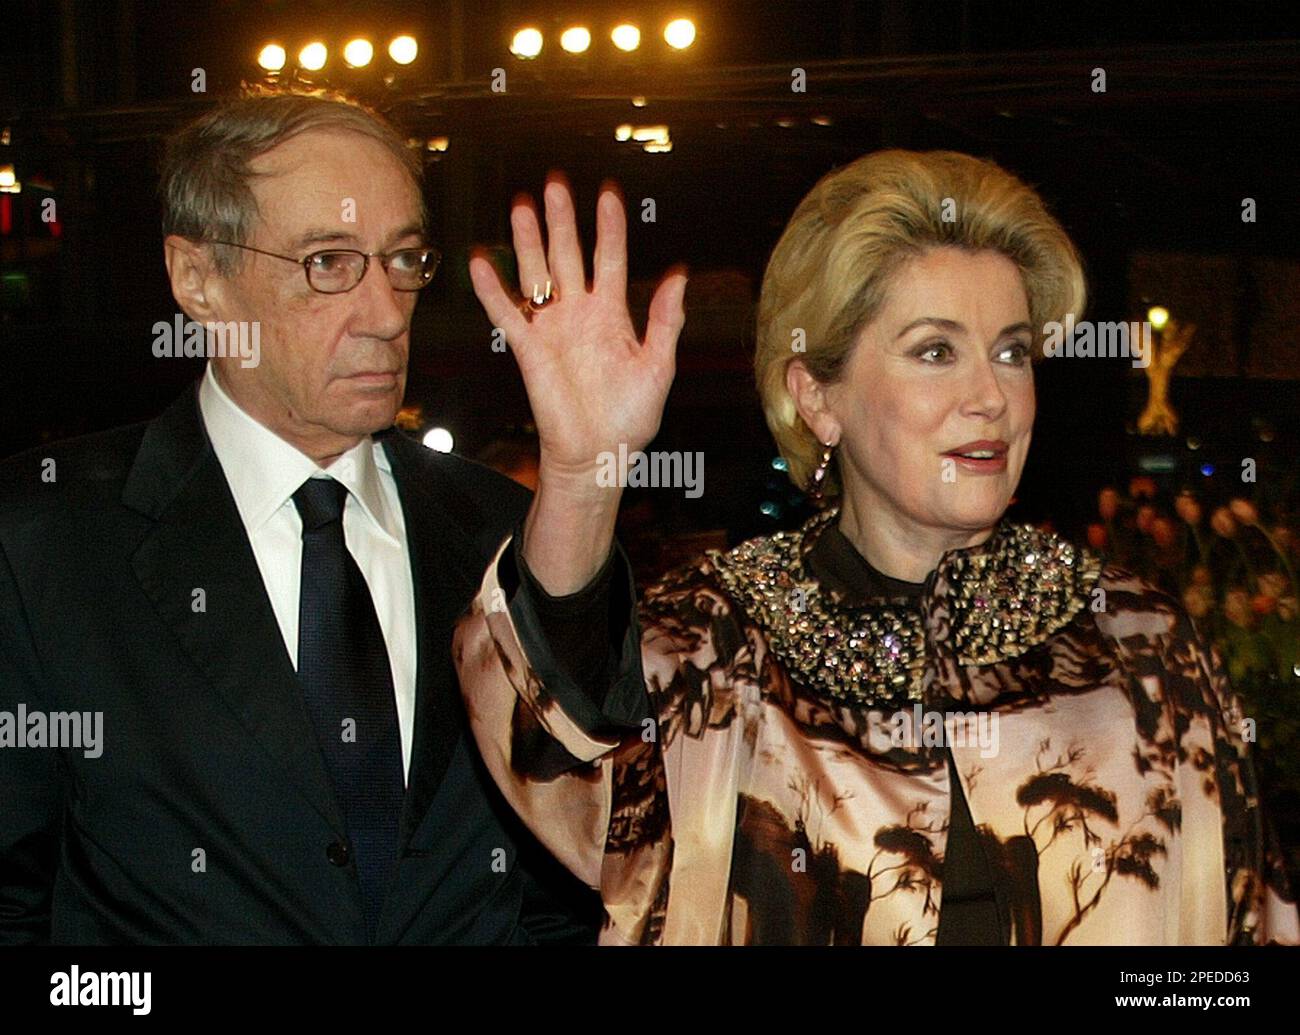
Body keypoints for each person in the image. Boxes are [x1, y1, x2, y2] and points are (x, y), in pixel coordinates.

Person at [457, 149, 1300, 944]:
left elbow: (1241, 938)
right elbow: (555, 750)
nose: (991, 397)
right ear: (817, 397)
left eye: (1012, 351)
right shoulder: (715, 646)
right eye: (935, 351)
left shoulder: (1139, 642)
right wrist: (580, 473)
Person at [0, 90, 600, 944]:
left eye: (403, 260)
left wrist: (586, 473)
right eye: (328, 262)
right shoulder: (41, 543)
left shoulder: (506, 528)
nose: (389, 314)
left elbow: (588, 865)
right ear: (198, 278)